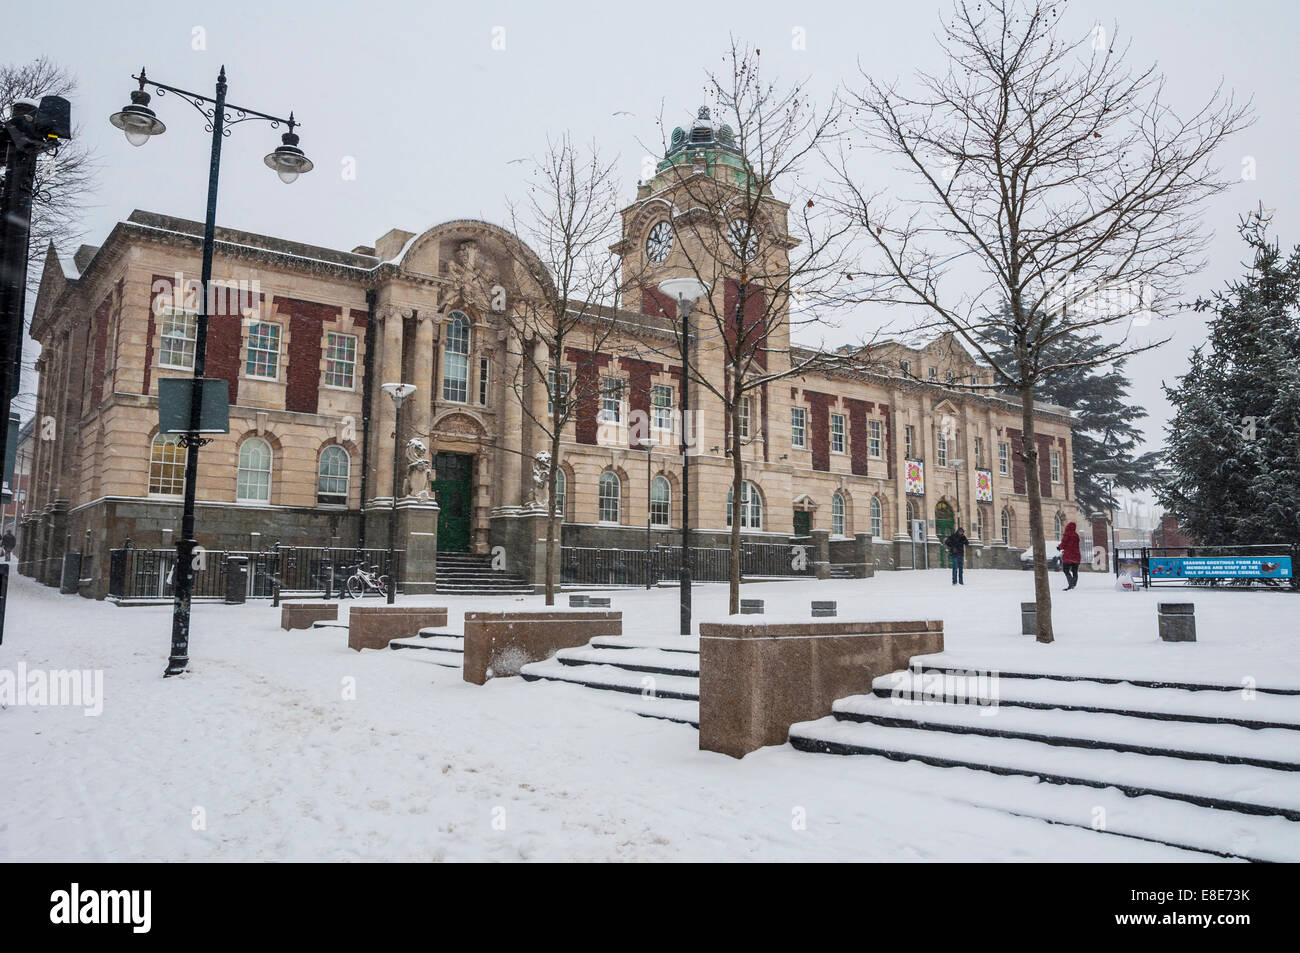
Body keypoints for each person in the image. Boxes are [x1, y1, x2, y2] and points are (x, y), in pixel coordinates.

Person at [1058, 520, 1081, 590]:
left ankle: (1071, 584)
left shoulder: (1067, 534)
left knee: (1066, 570)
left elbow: (1064, 543)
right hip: (1076, 556)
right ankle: (1073, 583)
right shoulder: (1076, 535)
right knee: (1075, 571)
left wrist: (1060, 547)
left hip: (1068, 555)